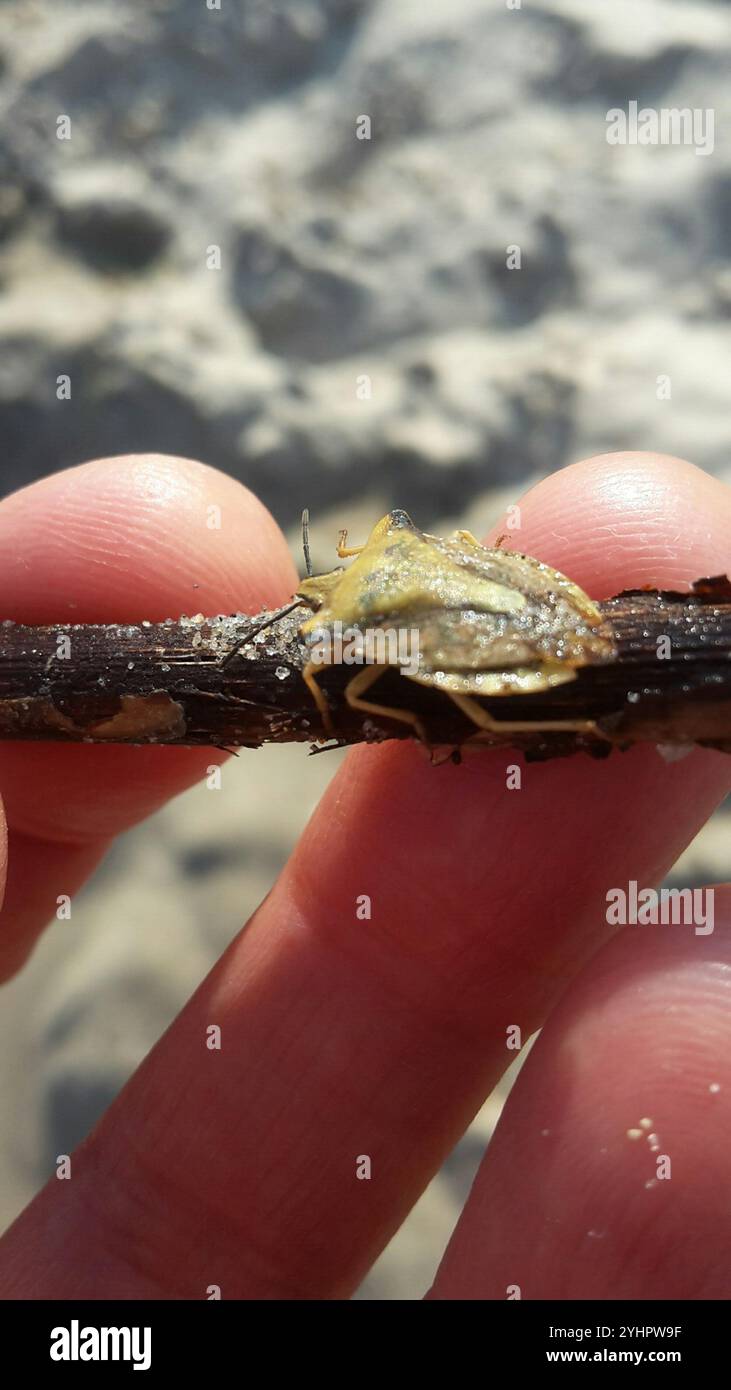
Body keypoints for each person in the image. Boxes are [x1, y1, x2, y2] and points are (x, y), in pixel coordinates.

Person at [0, 449, 728, 1299]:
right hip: (484, 600)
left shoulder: (352, 640)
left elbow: (358, 663)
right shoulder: (360, 619)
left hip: (470, 611)